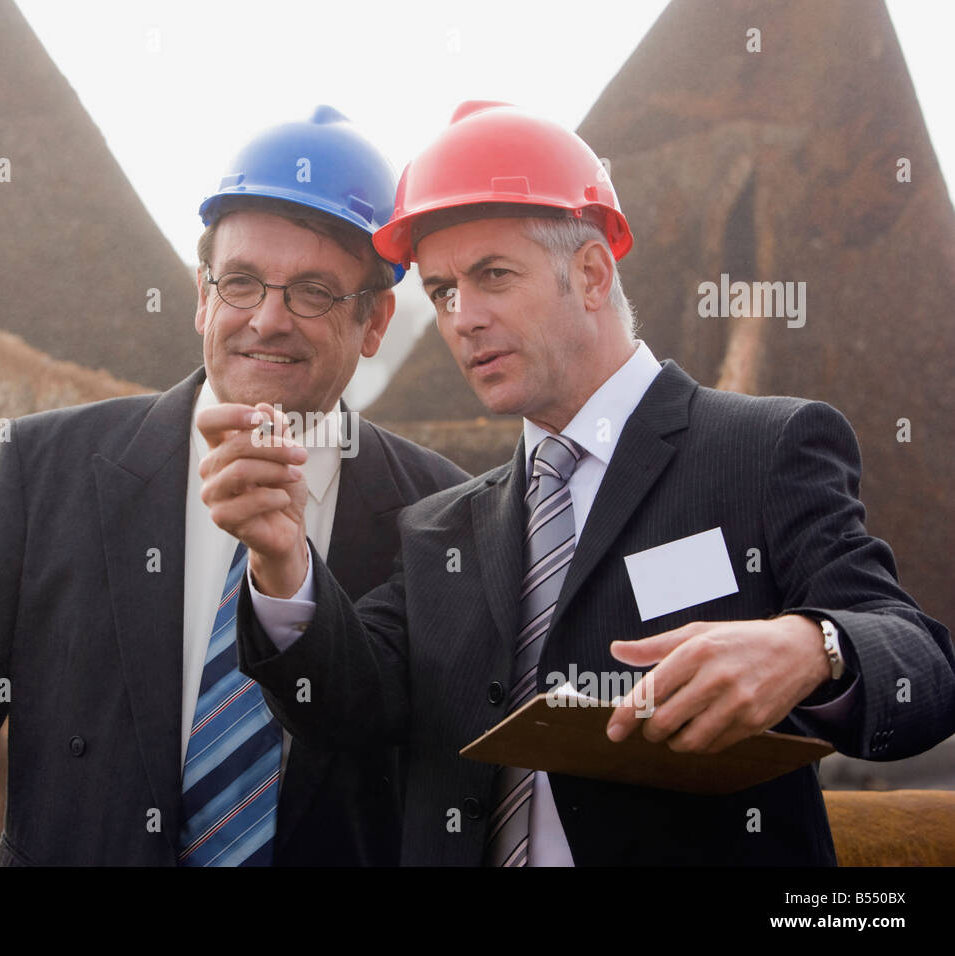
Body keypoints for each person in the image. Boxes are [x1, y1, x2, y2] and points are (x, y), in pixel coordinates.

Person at [201, 101, 955, 865]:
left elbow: (922, 668)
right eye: (442, 291)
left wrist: (810, 647)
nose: (463, 318)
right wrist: (283, 561)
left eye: (492, 275)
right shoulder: (441, 527)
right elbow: (348, 708)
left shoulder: (764, 449)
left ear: (592, 272)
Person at [0, 106, 468, 866]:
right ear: (202, 297)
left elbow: (454, 785)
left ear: (374, 322)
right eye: (241, 282)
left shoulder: (440, 515)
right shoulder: (43, 470)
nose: (267, 320)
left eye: (313, 292)